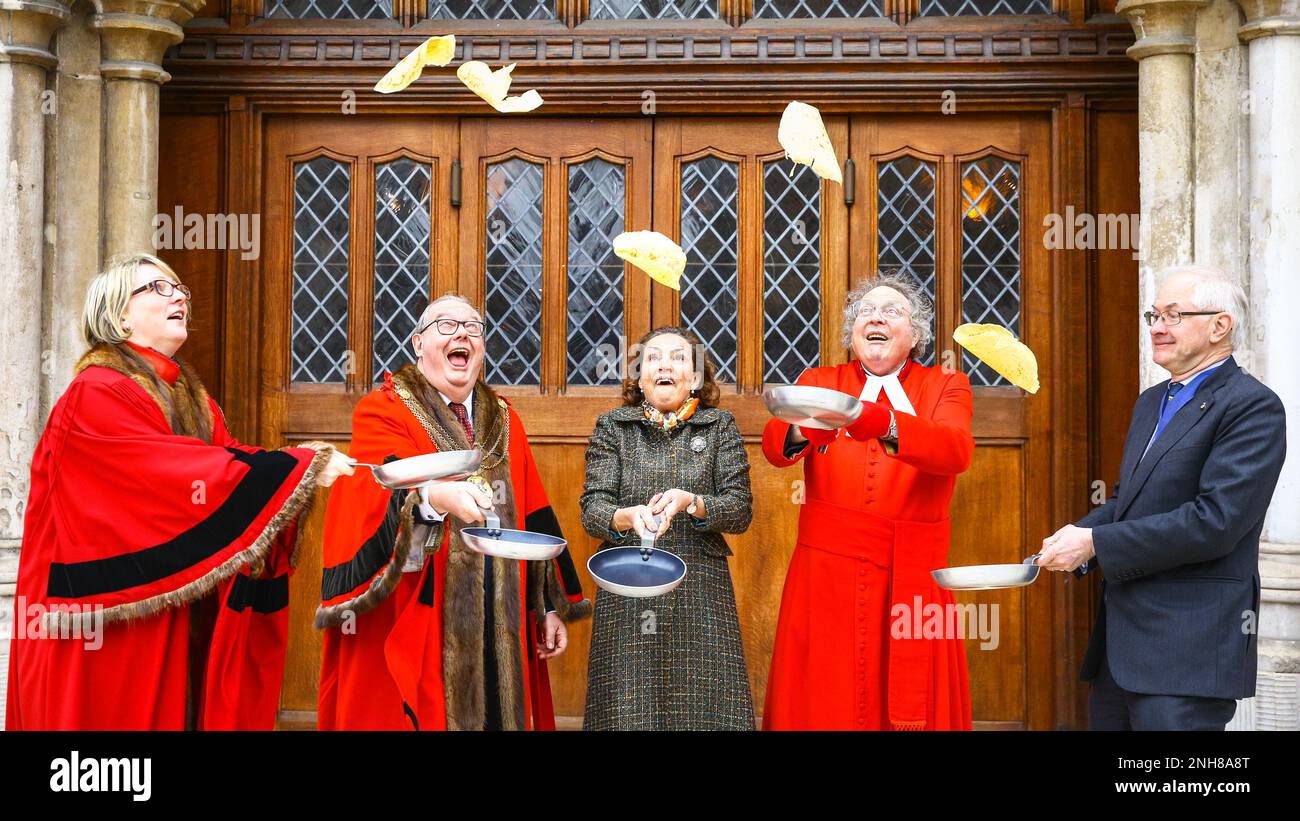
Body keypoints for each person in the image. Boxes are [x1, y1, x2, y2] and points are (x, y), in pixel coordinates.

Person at [5, 253, 353, 730]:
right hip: (104, 635)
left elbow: (227, 471)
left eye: (181, 291)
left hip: (175, 619)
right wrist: (299, 467)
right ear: (118, 315)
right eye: (158, 289)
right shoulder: (95, 393)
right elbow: (168, 477)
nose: (180, 298)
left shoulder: (194, 402)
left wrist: (297, 479)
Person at [316, 293, 590, 731]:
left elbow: (535, 512)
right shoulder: (385, 409)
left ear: (481, 348)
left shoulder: (503, 417)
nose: (461, 333)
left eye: (473, 328)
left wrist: (548, 607)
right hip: (425, 607)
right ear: (418, 344)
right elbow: (373, 495)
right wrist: (436, 499)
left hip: (501, 609)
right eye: (445, 325)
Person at [1037, 265, 1286, 731]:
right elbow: (1129, 502)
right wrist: (1079, 534)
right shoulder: (1152, 400)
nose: (1156, 326)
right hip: (1120, 650)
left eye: (1173, 315)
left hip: (1187, 651)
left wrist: (1097, 545)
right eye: (1154, 314)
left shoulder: (1253, 406)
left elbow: (1215, 522)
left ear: (1219, 326)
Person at [761, 273, 974, 731]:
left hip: (913, 569)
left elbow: (955, 451)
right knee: (824, 697)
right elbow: (776, 446)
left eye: (892, 311)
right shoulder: (821, 380)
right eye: (865, 312)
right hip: (827, 576)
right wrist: (804, 427)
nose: (875, 317)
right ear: (852, 332)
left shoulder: (946, 385)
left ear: (915, 335)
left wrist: (877, 419)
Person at [580, 326, 755, 730]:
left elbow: (740, 508)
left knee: (706, 706)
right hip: (627, 586)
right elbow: (593, 509)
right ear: (639, 378)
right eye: (653, 358)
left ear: (695, 378)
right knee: (628, 706)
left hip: (701, 589)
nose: (665, 366)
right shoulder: (613, 427)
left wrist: (692, 502)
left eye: (679, 358)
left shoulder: (718, 427)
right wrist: (627, 517)